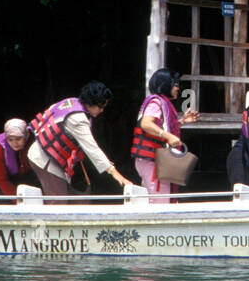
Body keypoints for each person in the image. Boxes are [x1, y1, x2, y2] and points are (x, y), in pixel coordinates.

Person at [28, 81, 129, 198]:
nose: (102, 111)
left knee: (66, 198)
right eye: (101, 106)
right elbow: (92, 149)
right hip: (44, 159)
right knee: (58, 201)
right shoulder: (77, 119)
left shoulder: (71, 102)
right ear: (91, 103)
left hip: (45, 153)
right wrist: (115, 173)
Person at [131, 68, 199, 203]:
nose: (177, 88)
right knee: (160, 202)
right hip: (152, 162)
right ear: (165, 84)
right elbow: (146, 123)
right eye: (175, 84)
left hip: (156, 161)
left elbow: (161, 125)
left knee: (162, 199)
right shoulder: (156, 102)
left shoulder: (162, 102)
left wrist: (182, 121)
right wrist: (168, 136)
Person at [0, 119, 33, 196]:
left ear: (26, 136)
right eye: (10, 139)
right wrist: (17, 200)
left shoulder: (33, 141)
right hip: (7, 183)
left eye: (18, 139)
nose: (14, 143)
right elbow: (2, 180)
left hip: (29, 179)